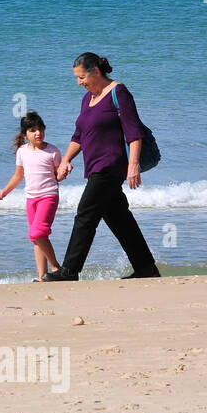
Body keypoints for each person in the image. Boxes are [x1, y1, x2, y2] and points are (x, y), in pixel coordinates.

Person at [43, 53, 160, 281]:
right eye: (77, 78)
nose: (79, 83)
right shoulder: (87, 99)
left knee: (85, 215)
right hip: (94, 166)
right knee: (119, 218)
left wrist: (133, 165)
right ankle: (146, 268)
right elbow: (79, 135)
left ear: (96, 71)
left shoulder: (119, 92)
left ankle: (69, 270)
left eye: (82, 77)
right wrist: (66, 159)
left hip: (111, 165)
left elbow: (133, 132)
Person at [0, 111, 63, 281]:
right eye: (33, 130)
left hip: (48, 196)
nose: (38, 133)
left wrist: (64, 171)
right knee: (36, 237)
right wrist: (5, 191)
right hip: (31, 198)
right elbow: (18, 175)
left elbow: (58, 176)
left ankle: (55, 267)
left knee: (38, 231)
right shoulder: (22, 152)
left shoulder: (52, 151)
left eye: (40, 129)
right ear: (25, 134)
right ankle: (42, 276)